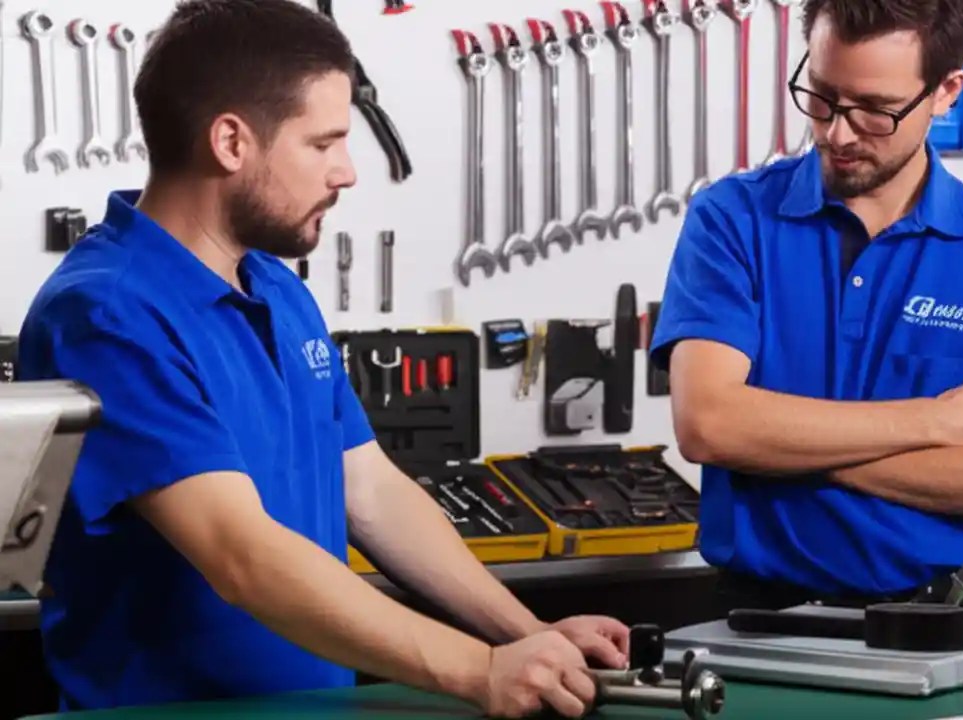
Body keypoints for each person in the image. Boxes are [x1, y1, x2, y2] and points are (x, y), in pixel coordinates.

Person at [17, 1, 627, 717]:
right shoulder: (107, 314)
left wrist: (529, 636)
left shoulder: (273, 286)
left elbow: (369, 488)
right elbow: (242, 556)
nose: (347, 172)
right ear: (231, 142)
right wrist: (481, 670)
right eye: (324, 143)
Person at [649, 0, 963, 614]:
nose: (837, 133)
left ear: (946, 91)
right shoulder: (731, 222)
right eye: (821, 95)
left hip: (946, 617)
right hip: (762, 618)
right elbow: (709, 425)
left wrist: (782, 453)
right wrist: (933, 423)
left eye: (874, 110)